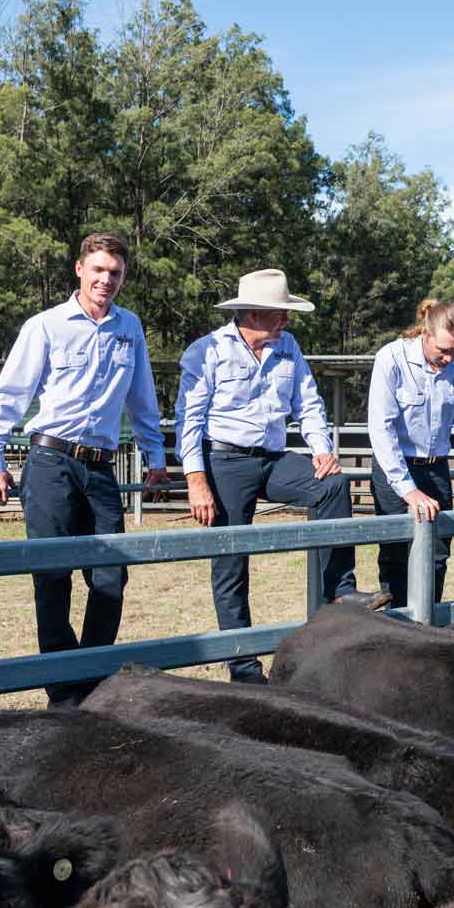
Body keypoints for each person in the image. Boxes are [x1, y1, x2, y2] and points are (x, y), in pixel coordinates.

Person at [0, 232, 169, 707]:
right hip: (50, 461)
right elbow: (9, 395)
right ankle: (64, 692)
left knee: (110, 576)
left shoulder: (130, 328)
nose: (107, 279)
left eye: (116, 273)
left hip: (100, 466)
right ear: (79, 269)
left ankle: (95, 678)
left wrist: (156, 455)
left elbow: (142, 397)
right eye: (99, 269)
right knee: (52, 575)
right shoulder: (45, 326)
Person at [175, 268, 387, 684]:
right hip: (224, 461)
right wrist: (195, 478)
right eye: (280, 312)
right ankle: (244, 667)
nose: (286, 320)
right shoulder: (208, 351)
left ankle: (340, 590)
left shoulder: (288, 347)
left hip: (273, 458)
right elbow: (189, 418)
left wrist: (322, 449)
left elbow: (308, 404)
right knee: (231, 561)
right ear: (253, 312)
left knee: (332, 485)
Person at [367, 299, 454, 607]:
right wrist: (408, 491)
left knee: (438, 553)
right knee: (397, 553)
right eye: (443, 350)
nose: (449, 358)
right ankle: (397, 631)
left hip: (435, 467)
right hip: (394, 468)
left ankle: (430, 626)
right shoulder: (391, 358)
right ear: (424, 334)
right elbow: (381, 429)